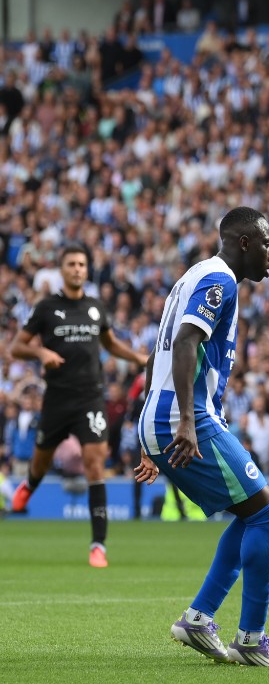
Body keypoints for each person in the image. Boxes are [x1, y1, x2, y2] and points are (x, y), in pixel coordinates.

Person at [134, 207, 269, 666]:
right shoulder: (219, 280)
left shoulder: (193, 276)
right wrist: (185, 420)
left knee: (251, 515)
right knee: (267, 513)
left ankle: (199, 618)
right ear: (244, 242)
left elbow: (157, 355)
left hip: (163, 416)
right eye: (266, 243)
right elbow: (185, 342)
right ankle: (251, 639)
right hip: (185, 418)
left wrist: (147, 437)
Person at [8, 243, 148, 568]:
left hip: (90, 397)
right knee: (41, 462)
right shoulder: (46, 308)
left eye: (82, 265)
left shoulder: (96, 307)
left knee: (95, 464)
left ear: (87, 270)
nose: (77, 269)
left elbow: (110, 344)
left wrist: (139, 357)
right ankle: (30, 484)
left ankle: (98, 545)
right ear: (62, 269)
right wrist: (40, 352)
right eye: (71, 264)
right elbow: (16, 347)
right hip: (57, 399)